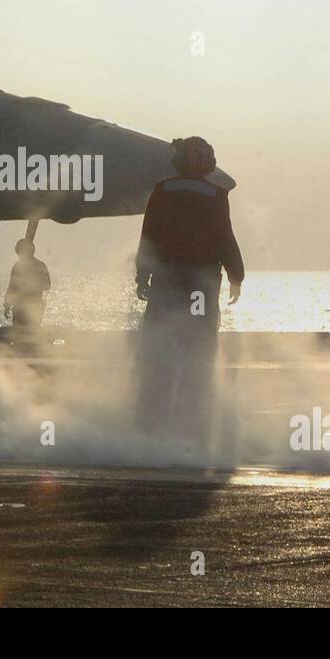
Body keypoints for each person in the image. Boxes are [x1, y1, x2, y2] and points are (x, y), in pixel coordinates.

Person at [133, 136, 244, 441]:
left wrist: (142, 275)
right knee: (199, 351)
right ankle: (194, 423)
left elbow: (149, 237)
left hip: (166, 285)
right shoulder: (217, 195)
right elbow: (225, 239)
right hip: (201, 289)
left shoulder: (162, 191)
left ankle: (148, 424)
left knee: (157, 351)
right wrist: (237, 276)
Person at [4, 239, 51, 333]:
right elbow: (12, 287)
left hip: (30, 309)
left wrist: (7, 305)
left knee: (25, 335)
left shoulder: (19, 266)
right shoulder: (39, 265)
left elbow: (12, 288)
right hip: (27, 309)